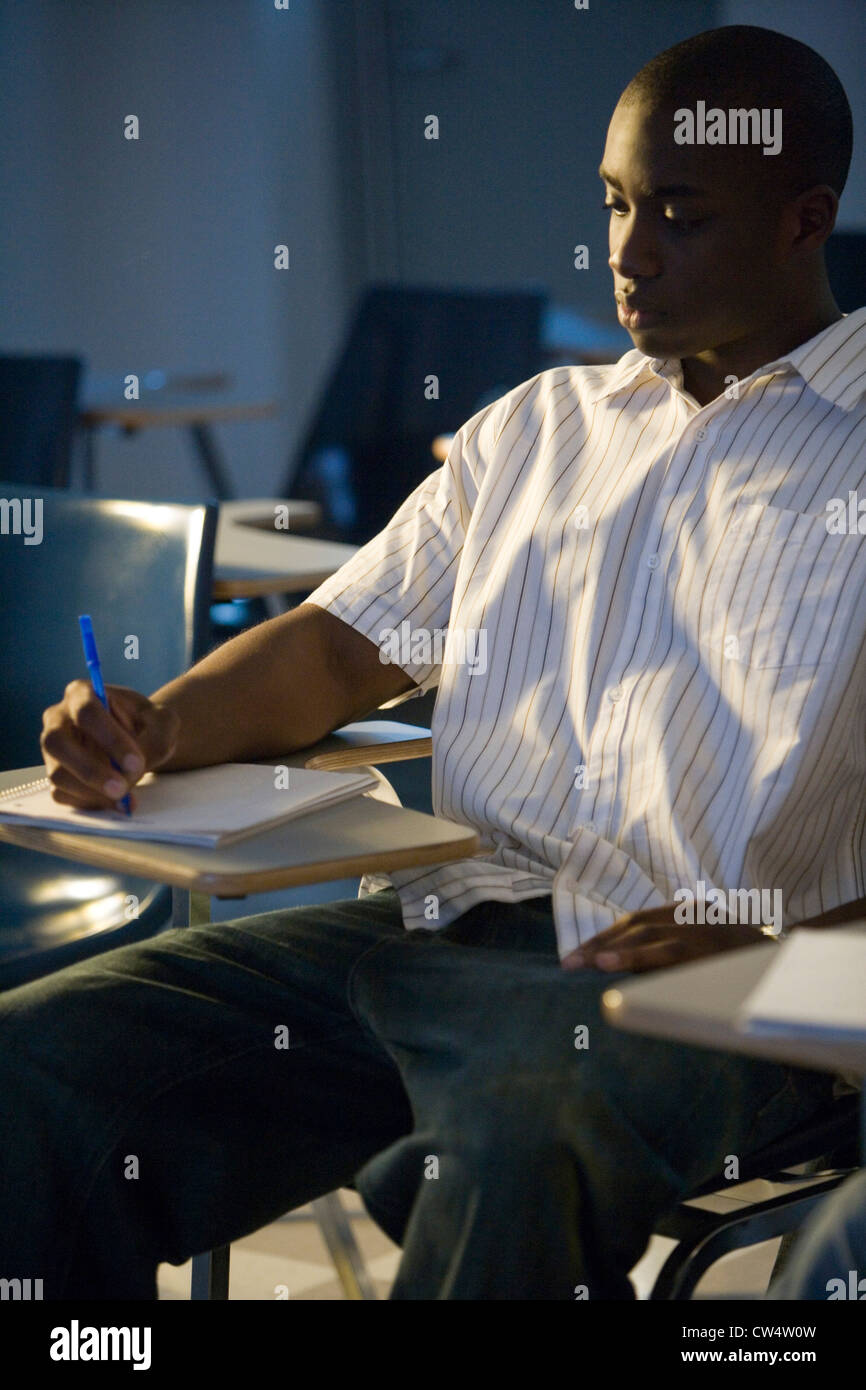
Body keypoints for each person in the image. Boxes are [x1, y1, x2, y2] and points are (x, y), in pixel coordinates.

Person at [2, 24, 864, 1300]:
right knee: (39, 1062)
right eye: (614, 204)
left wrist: (773, 938)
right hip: (438, 931)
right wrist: (157, 729)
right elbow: (335, 648)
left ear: (804, 219)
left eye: (678, 216)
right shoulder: (537, 429)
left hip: (731, 988)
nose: (625, 253)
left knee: (507, 1144)